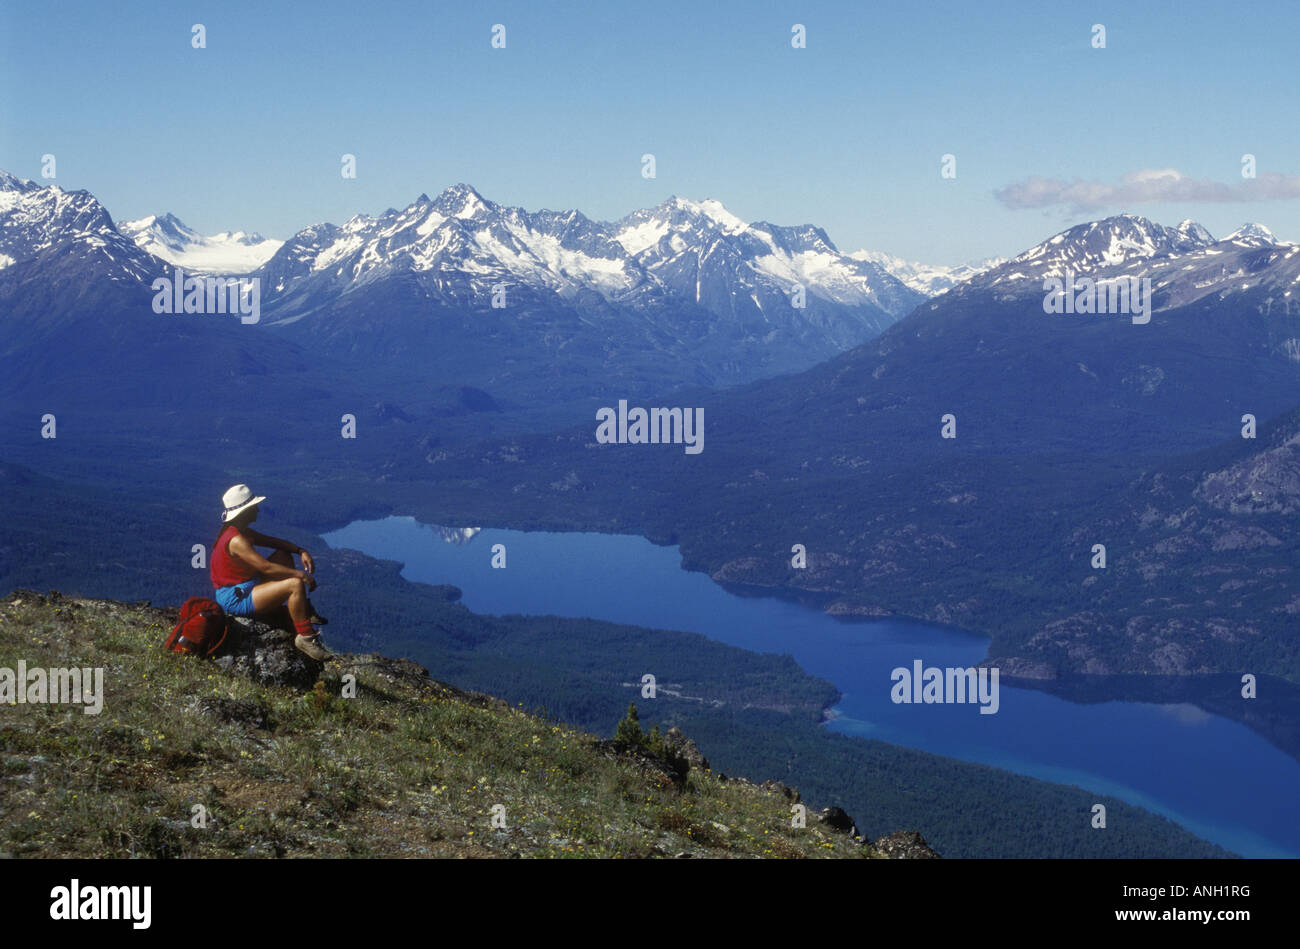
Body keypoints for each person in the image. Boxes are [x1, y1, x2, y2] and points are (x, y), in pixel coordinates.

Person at [210, 483, 331, 660]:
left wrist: (299, 550)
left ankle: (303, 609)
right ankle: (305, 637)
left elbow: (274, 543)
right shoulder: (236, 540)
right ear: (245, 511)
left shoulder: (239, 531)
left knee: (284, 555)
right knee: (295, 584)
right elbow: (265, 567)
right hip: (235, 597)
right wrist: (301, 575)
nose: (258, 510)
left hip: (247, 584)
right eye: (254, 507)